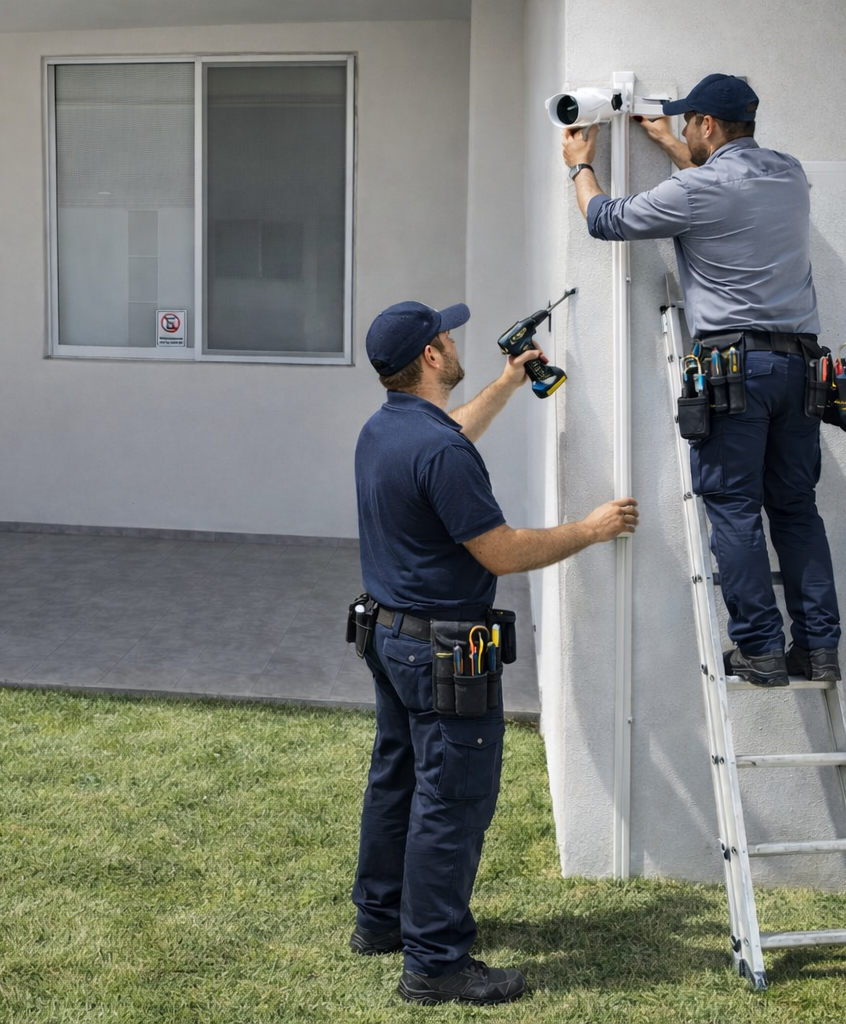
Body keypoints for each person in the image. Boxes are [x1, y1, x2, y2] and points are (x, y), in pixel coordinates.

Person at [351, 299, 638, 1005]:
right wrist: (590, 530)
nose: (453, 344)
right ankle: (436, 963)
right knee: (450, 800)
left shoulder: (386, 431)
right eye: (446, 338)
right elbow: (500, 552)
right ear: (430, 357)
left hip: (389, 635)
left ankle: (379, 920)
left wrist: (510, 383)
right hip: (446, 650)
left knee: (398, 778)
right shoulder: (441, 450)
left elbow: (447, 437)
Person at [562, 73, 841, 687]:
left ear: (708, 126)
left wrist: (580, 166)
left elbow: (606, 219)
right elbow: (722, 179)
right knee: (795, 510)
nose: (684, 129)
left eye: (689, 122)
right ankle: (819, 649)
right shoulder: (789, 174)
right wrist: (672, 145)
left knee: (735, 511)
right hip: (802, 369)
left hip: (736, 369)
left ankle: (761, 650)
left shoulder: (695, 190)